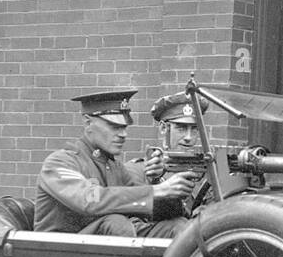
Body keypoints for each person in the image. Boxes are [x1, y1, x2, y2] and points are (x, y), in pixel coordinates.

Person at [34, 90, 196, 237]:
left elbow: (142, 207)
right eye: (114, 127)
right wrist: (157, 190)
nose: (123, 134)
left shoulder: (114, 166)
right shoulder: (60, 163)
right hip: (59, 255)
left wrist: (166, 188)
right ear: (88, 122)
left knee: (180, 227)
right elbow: (90, 200)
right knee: (116, 223)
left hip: (100, 248)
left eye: (124, 127)